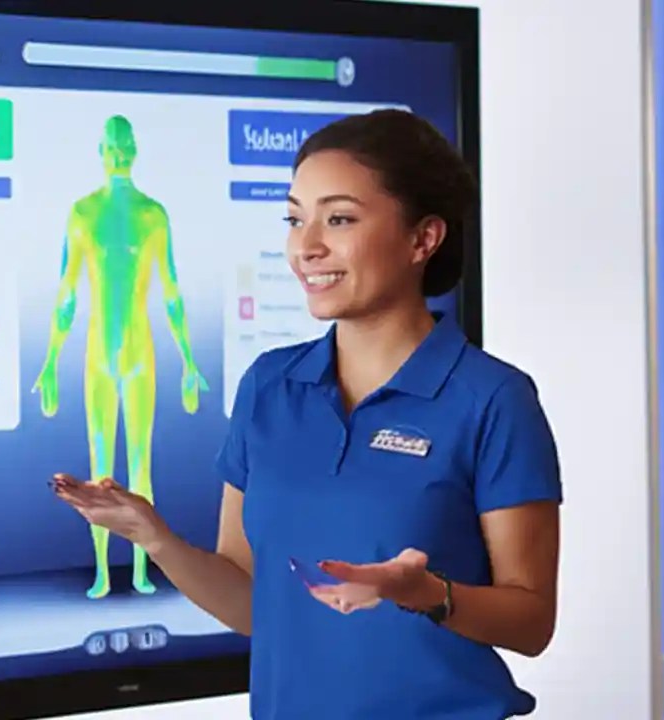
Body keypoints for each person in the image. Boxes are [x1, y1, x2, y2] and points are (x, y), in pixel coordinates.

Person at [49, 109, 563, 718]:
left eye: (339, 219)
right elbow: (249, 604)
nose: (305, 247)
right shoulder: (268, 386)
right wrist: (155, 538)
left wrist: (425, 594)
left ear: (423, 239)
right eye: (295, 219)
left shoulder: (492, 399)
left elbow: (530, 622)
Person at [33, 114, 208, 600]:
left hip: (137, 354)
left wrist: (190, 361)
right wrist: (49, 360)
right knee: (98, 472)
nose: (117, 151)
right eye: (112, 144)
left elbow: (172, 292)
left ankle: (138, 571)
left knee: (140, 465)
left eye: (122, 143)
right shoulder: (83, 213)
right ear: (105, 151)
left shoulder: (154, 215)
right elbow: (66, 293)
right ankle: (104, 574)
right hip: (99, 358)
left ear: (129, 150)